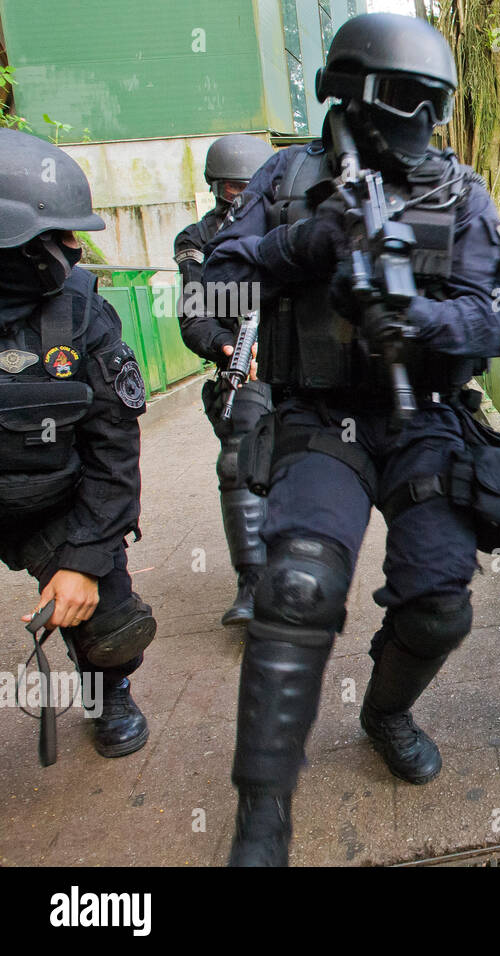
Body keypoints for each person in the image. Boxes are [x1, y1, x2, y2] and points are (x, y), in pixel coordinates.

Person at [202, 12, 500, 865]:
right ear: (352, 93)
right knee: (297, 585)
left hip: (426, 421)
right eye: (407, 99)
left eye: (434, 104)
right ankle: (262, 814)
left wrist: (417, 318)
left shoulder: (462, 191)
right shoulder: (286, 175)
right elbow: (214, 289)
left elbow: (491, 319)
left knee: (441, 604)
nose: (422, 122)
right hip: (320, 416)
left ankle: (385, 711)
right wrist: (312, 242)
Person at [0, 128, 155, 759]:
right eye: (57, 235)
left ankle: (108, 690)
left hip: (54, 501)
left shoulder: (82, 313)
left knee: (114, 627)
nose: (74, 247)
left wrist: (85, 558)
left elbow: (114, 449)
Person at [174, 134, 276, 625]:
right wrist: (228, 346)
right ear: (218, 187)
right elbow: (194, 318)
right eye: (235, 187)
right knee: (239, 460)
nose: (243, 196)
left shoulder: (288, 223)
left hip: (297, 362)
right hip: (243, 367)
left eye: (252, 186)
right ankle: (252, 585)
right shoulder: (198, 239)